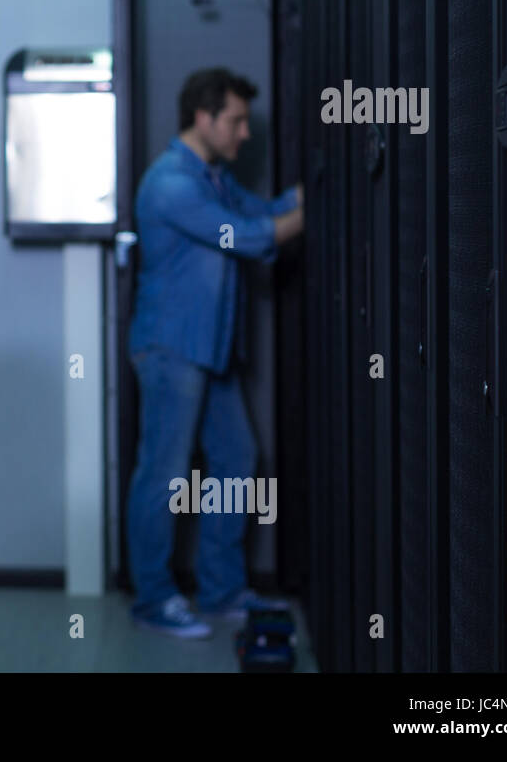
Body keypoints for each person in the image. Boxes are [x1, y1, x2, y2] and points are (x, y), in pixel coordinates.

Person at [126, 67, 303, 639]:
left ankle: (223, 591)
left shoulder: (213, 177)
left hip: (213, 347)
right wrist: (314, 209)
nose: (244, 133)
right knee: (164, 475)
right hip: (172, 348)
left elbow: (267, 209)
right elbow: (249, 236)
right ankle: (153, 598)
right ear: (203, 118)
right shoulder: (171, 183)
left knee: (237, 460)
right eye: (235, 120)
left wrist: (310, 191)